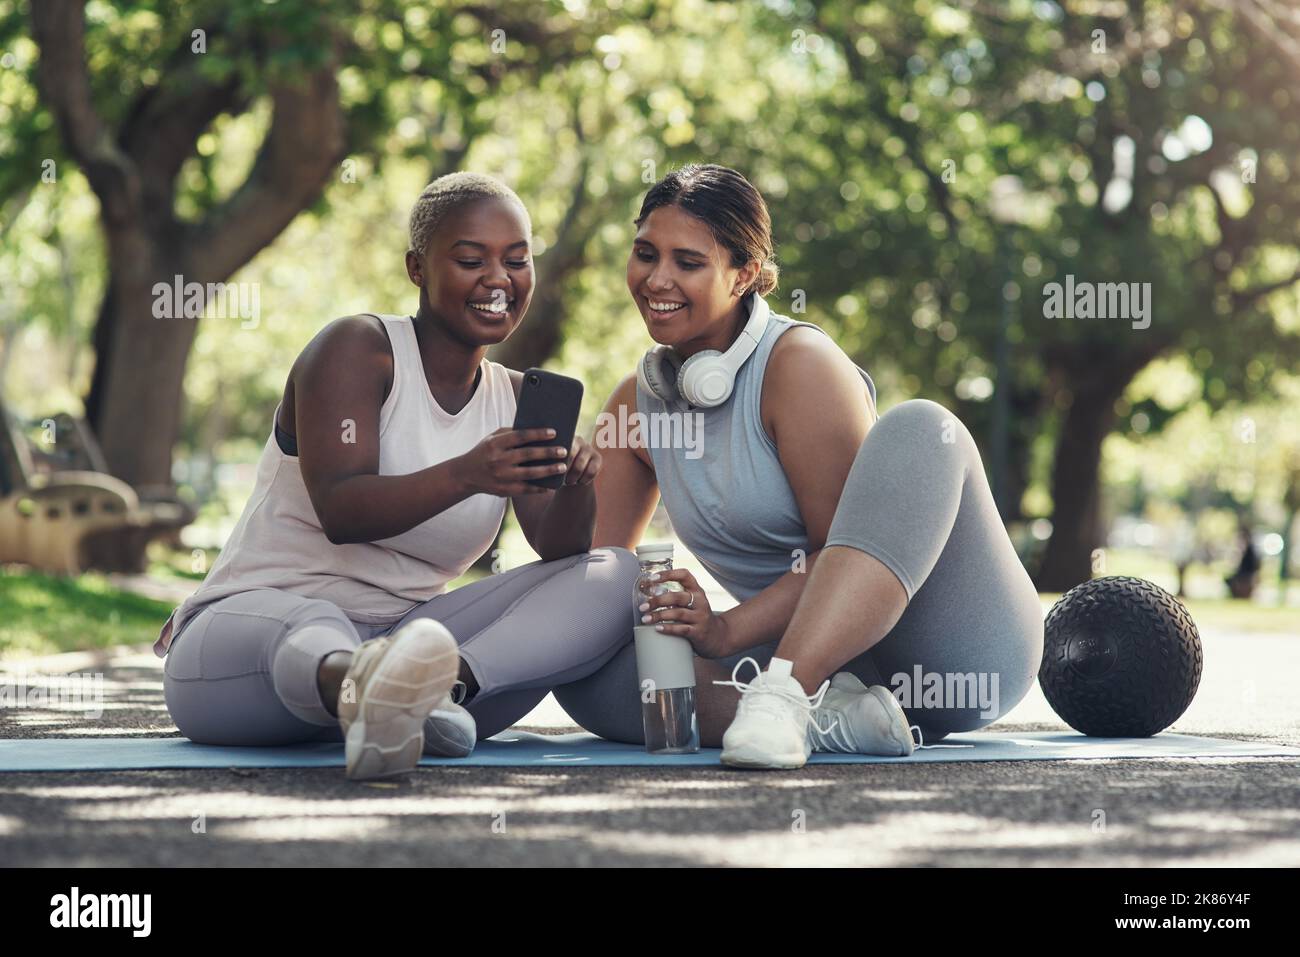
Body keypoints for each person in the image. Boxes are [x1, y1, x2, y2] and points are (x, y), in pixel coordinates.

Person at [554, 164, 1044, 769]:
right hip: (799, 665)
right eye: (646, 254)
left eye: (688, 262)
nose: (657, 279)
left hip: (944, 649)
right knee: (584, 666)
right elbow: (600, 577)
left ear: (746, 276)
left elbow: (841, 557)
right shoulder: (637, 403)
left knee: (922, 426)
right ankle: (836, 720)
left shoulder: (799, 365)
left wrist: (729, 631)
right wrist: (557, 487)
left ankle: (789, 696)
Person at [155, 172, 639, 780]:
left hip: (412, 632)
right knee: (315, 625)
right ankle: (368, 687)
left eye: (517, 260)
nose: (499, 279)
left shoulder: (516, 398)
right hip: (254, 645)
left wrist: (576, 485)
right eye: (470, 259)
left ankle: (438, 687)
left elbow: (560, 550)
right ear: (417, 268)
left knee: (616, 572)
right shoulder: (359, 349)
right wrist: (468, 474)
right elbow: (343, 512)